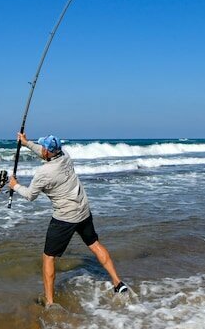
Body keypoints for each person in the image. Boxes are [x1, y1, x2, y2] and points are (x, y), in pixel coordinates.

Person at [9, 131, 130, 306]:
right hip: (83, 210)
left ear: (48, 151)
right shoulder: (65, 155)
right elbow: (44, 152)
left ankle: (49, 302)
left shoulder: (44, 172)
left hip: (65, 217)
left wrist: (15, 185)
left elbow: (30, 195)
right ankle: (118, 283)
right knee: (94, 244)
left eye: (43, 147)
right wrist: (26, 143)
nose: (41, 148)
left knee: (48, 257)